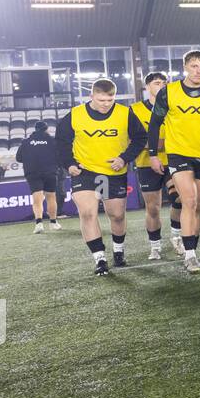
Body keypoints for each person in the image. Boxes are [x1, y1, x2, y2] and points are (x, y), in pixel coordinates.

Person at [144, 50, 200, 273]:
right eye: (194, 66)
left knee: (198, 204)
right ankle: (190, 256)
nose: (198, 71)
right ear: (185, 67)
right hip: (179, 154)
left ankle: (192, 247)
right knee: (190, 200)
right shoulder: (169, 92)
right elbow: (155, 124)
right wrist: (153, 154)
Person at [55, 78, 147, 275]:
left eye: (110, 99)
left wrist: (124, 158)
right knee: (88, 213)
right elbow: (61, 141)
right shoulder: (75, 115)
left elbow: (140, 138)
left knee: (117, 215)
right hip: (86, 172)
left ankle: (118, 250)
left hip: (113, 173)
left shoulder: (125, 113)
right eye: (101, 100)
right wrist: (69, 164)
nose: (106, 104)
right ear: (91, 97)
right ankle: (100, 258)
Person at [130, 72, 174, 260]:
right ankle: (155, 246)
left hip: (173, 161)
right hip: (146, 163)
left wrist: (155, 142)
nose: (162, 86)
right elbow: (134, 140)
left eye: (164, 83)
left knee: (179, 200)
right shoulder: (135, 109)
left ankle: (177, 236)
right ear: (147, 87)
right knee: (153, 208)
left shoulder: (173, 107)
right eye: (157, 83)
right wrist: (160, 143)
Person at [15, 120, 61, 232]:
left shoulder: (26, 142)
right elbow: (59, 155)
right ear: (46, 129)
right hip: (49, 172)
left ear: (35, 129)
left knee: (37, 198)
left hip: (33, 173)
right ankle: (53, 223)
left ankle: (39, 224)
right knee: (51, 197)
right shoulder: (52, 141)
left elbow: (19, 158)